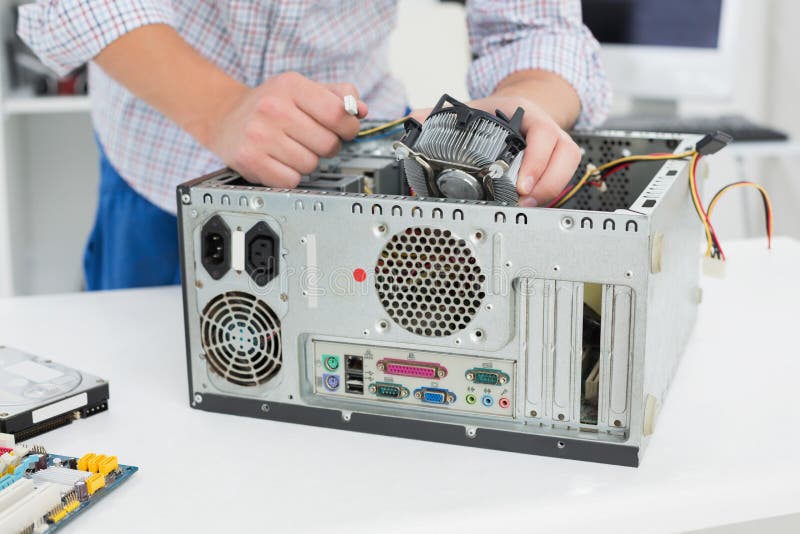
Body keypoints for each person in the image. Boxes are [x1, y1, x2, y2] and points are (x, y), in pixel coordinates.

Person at [18, 0, 610, 290]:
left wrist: (524, 101)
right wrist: (220, 108)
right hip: (162, 168)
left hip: (358, 185)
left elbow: (536, 26)